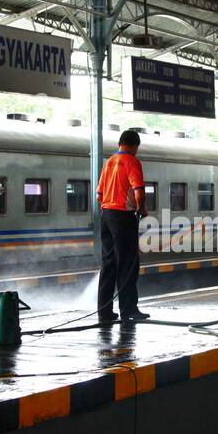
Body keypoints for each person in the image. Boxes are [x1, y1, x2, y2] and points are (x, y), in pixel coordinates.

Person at [96, 129, 150, 322]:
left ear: (120, 143)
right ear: (135, 146)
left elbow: (99, 196)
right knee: (127, 264)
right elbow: (139, 191)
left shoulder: (108, 163)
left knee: (108, 264)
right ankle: (129, 311)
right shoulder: (132, 161)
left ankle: (104, 312)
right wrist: (142, 209)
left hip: (106, 215)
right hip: (123, 217)